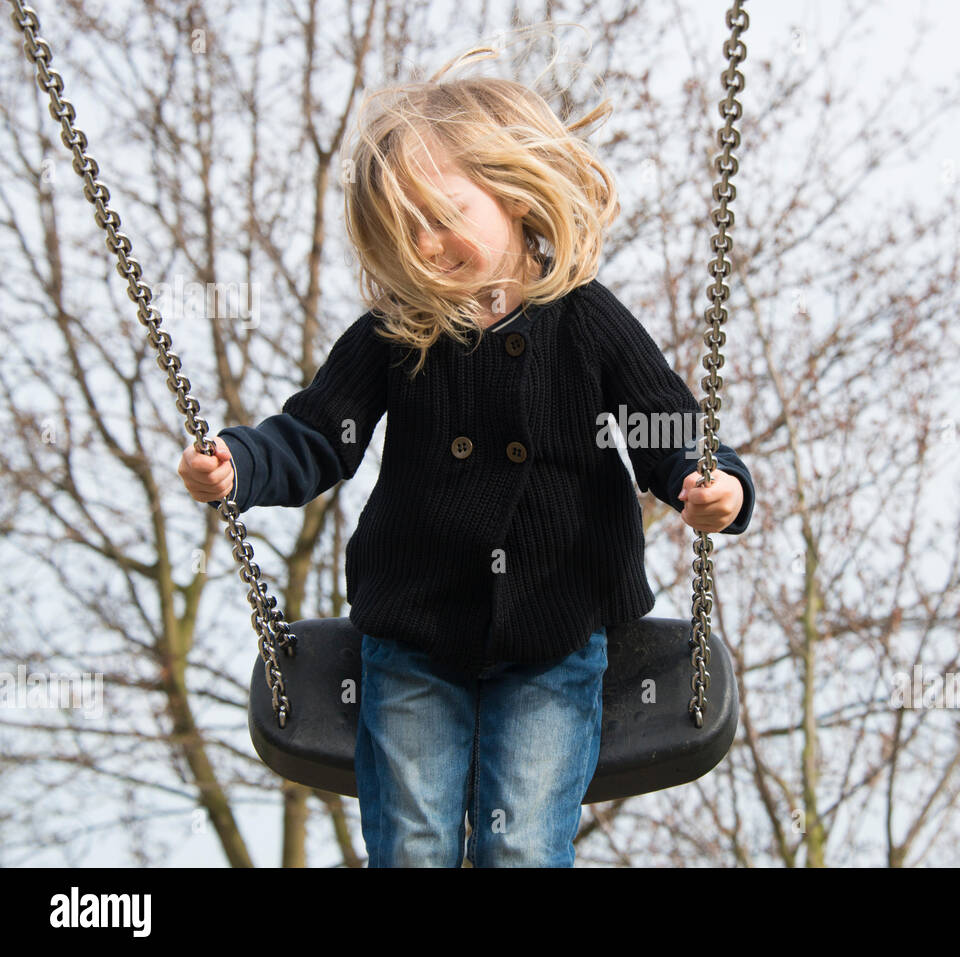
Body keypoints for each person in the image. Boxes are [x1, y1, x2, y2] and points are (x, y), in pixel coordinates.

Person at [177, 44, 756, 867]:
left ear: (515, 196)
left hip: (553, 630)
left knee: (520, 839)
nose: (424, 241)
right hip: (416, 631)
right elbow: (315, 436)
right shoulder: (394, 332)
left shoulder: (585, 322)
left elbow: (665, 426)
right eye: (402, 226)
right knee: (412, 843)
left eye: (442, 213)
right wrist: (237, 463)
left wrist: (717, 482)